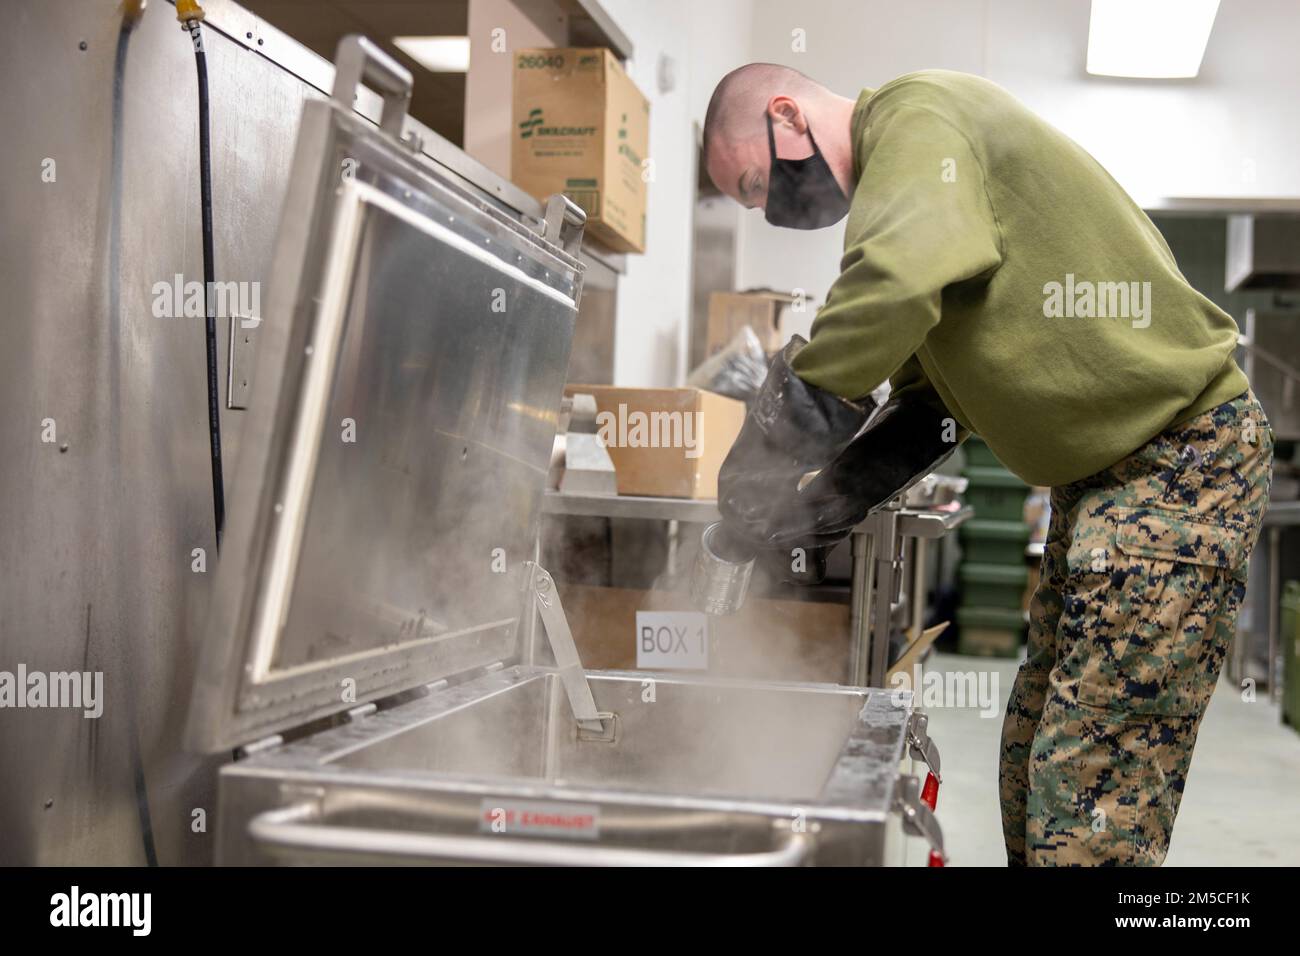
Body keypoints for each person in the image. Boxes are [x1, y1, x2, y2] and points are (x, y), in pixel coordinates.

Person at [702, 63, 1274, 866]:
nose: (770, 209)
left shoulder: (917, 119)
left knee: (1088, 799)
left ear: (788, 115)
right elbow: (932, 405)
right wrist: (822, 504)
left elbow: (892, 286)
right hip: (1107, 479)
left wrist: (772, 442)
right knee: (1034, 758)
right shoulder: (917, 194)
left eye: (759, 183)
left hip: (1178, 462)